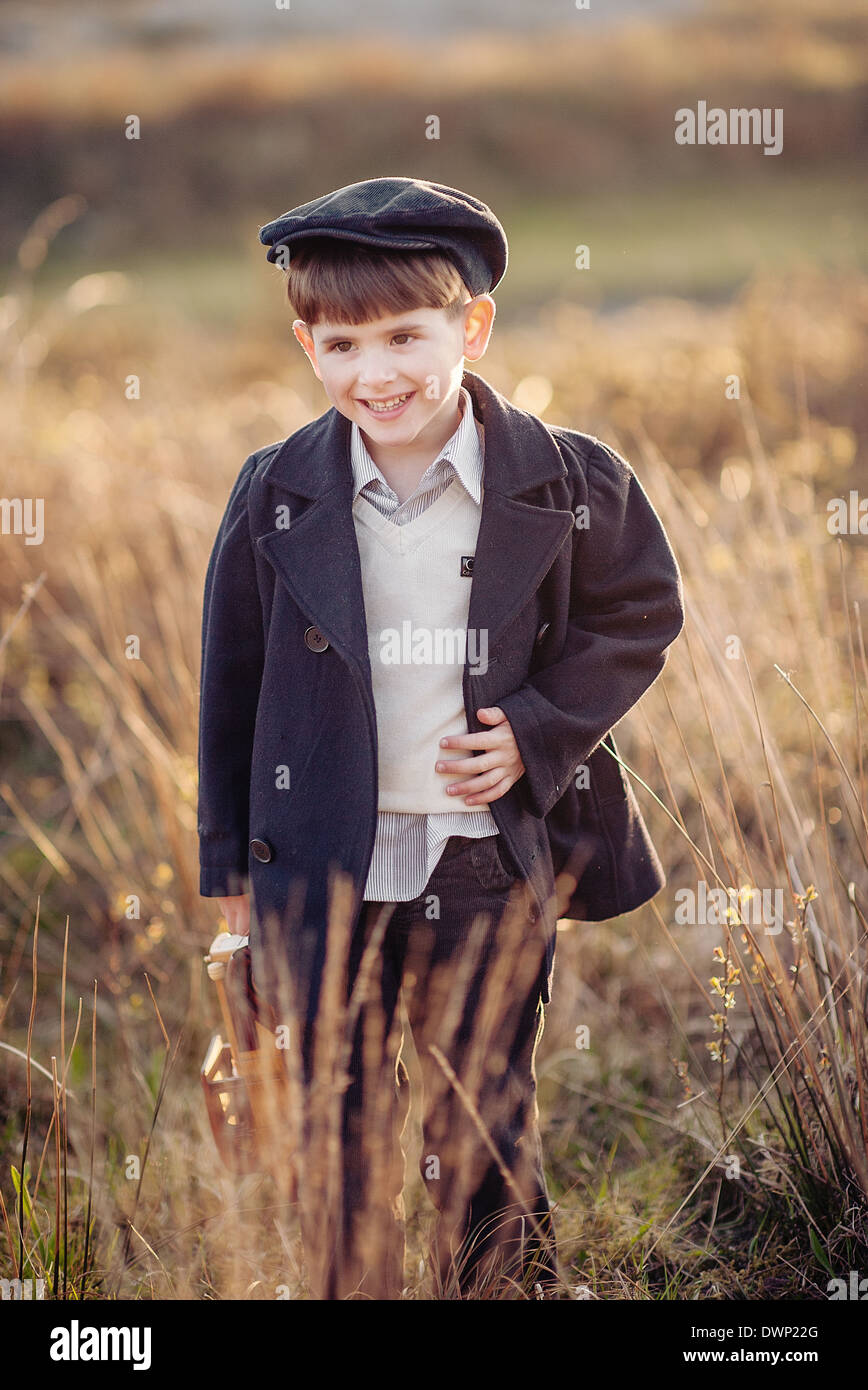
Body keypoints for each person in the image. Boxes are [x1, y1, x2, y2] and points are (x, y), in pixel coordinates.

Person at [197, 176, 685, 1300]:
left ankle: (504, 1287)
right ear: (305, 344)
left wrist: (532, 729)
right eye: (340, 343)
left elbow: (639, 612)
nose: (375, 374)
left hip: (481, 861)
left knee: (479, 1120)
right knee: (342, 1128)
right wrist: (231, 873)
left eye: (406, 336)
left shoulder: (563, 477)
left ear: (472, 326)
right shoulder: (273, 494)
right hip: (321, 868)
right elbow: (229, 683)